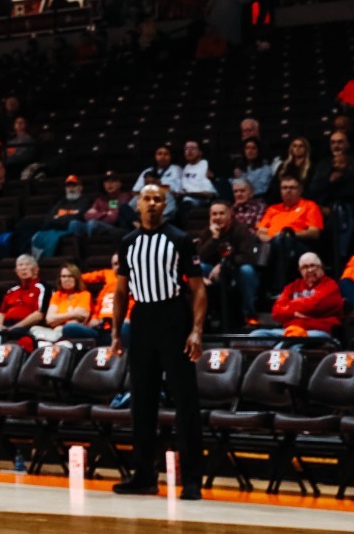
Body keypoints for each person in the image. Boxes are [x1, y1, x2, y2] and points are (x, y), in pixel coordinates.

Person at [108, 184, 205, 499]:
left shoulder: (179, 239)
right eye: (147, 199)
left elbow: (199, 289)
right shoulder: (127, 243)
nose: (152, 203)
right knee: (142, 402)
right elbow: (121, 291)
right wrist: (115, 333)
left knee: (185, 401)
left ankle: (191, 479)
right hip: (142, 320)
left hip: (174, 318)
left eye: (158, 199)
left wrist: (196, 331)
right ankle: (144, 476)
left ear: (166, 206)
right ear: (137, 204)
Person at [195, 200, 261, 329]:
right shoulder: (207, 232)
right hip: (212, 272)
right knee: (199, 268)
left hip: (235, 270)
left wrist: (223, 265)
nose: (217, 217)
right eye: (214, 214)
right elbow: (199, 257)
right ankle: (203, 317)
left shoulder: (240, 230)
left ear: (229, 215)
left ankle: (249, 315)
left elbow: (248, 256)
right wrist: (214, 238)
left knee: (247, 270)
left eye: (221, 213)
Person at [251, 253, 342, 342]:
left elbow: (313, 305)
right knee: (256, 335)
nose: (309, 270)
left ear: (321, 267)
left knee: (293, 342)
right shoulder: (293, 286)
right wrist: (295, 313)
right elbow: (276, 311)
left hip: (316, 331)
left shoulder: (330, 285)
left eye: (313, 266)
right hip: (290, 330)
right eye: (305, 267)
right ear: (300, 270)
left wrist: (289, 307)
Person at [258, 176, 323, 291]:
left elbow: (314, 232)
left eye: (292, 188)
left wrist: (291, 235)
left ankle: (279, 289)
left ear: (300, 190)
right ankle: (261, 290)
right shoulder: (273, 209)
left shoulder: (309, 206)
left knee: (281, 240)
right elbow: (261, 230)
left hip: (297, 244)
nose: (288, 191)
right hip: (271, 243)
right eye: (284, 188)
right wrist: (266, 237)